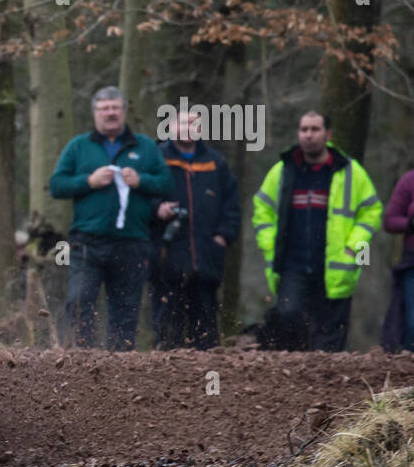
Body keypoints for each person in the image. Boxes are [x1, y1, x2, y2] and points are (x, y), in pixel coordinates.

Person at [49, 86, 172, 350]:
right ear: (95, 113)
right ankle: (78, 358)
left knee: (126, 308)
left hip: (132, 242)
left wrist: (141, 181)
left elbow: (166, 183)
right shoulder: (79, 146)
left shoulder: (147, 147)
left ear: (124, 111)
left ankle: (120, 365)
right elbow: (57, 185)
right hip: (87, 242)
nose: (110, 113)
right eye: (104, 109)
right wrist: (88, 181)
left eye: (115, 108)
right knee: (79, 300)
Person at [252, 110, 380, 352]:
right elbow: (261, 208)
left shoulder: (350, 171)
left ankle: (328, 386)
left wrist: (355, 248)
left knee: (330, 336)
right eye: (304, 130)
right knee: (288, 318)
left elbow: (372, 210)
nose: (308, 135)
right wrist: (269, 243)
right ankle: (291, 381)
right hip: (292, 265)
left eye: (314, 129)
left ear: (328, 134)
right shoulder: (282, 170)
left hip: (336, 266)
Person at [150, 108, 241, 349]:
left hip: (206, 258)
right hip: (166, 257)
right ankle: (165, 378)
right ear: (171, 128)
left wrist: (223, 237)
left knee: (206, 331)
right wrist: (157, 210)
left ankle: (207, 380)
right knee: (168, 329)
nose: (189, 129)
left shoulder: (215, 163)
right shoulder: (157, 158)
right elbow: (140, 196)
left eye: (195, 124)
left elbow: (231, 204)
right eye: (183, 123)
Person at [380, 167, 414, 352]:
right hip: (411, 262)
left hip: (352, 260)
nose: (309, 135)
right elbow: (388, 220)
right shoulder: (409, 180)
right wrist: (410, 224)